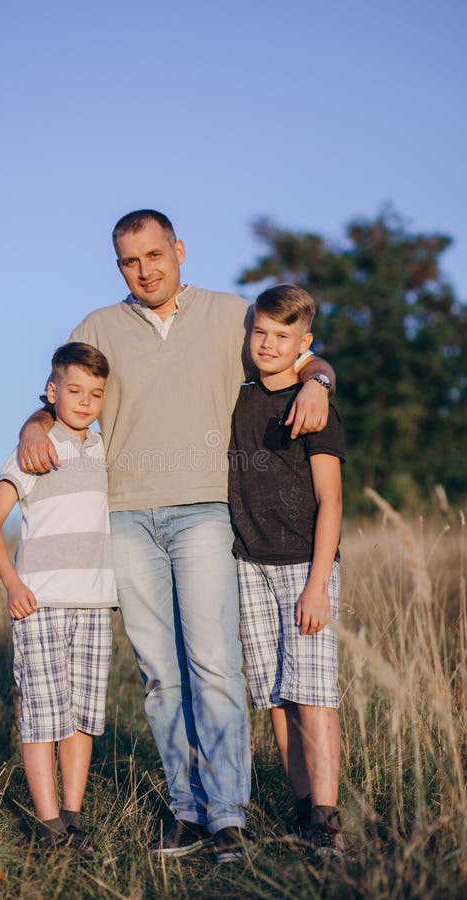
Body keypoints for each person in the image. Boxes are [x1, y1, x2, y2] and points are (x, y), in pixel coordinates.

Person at [18, 210, 335, 863]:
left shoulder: (229, 314)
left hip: (203, 514)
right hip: (126, 517)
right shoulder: (98, 325)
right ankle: (186, 813)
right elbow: (60, 393)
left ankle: (228, 818)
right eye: (131, 260)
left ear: (179, 251)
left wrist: (322, 382)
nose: (146, 269)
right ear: (119, 266)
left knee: (214, 666)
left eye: (156, 254)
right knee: (161, 675)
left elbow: (297, 350)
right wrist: (31, 423)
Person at [0, 342, 117, 852]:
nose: (84, 402)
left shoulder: (105, 449)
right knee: (42, 715)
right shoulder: (33, 450)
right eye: (74, 390)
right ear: (52, 391)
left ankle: (73, 820)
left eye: (95, 394)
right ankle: (47, 825)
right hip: (40, 605)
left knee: (81, 716)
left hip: (95, 604)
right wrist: (14, 584)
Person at [228, 284, 346, 857]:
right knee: (276, 695)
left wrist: (319, 585)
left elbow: (331, 500)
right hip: (250, 563)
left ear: (304, 344)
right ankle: (302, 809)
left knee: (314, 692)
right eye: (261, 333)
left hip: (305, 565)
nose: (268, 344)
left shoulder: (314, 403)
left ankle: (327, 819)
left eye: (282, 336)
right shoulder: (240, 399)